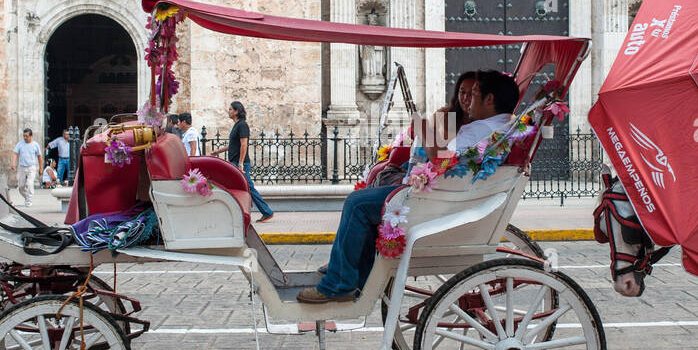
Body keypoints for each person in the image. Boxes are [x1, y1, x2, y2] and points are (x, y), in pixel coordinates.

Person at [298, 69, 519, 303]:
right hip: (449, 193)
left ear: (489, 99)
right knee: (367, 199)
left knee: (357, 204)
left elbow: (441, 161)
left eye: (473, 94)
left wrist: (425, 130)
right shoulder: (502, 124)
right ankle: (351, 274)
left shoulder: (479, 129)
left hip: (438, 200)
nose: (468, 100)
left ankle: (339, 285)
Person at [221, 101, 275, 223]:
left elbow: (244, 145)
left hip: (241, 163)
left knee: (248, 187)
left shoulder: (242, 125)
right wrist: (218, 151)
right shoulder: (236, 125)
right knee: (241, 187)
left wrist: (240, 164)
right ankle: (245, 213)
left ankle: (266, 212)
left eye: (230, 109)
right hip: (235, 162)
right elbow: (233, 145)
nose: (228, 111)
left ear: (236, 111)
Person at [12, 128, 43, 208]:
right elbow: (15, 153)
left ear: (31, 136)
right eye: (24, 136)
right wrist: (13, 164)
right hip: (22, 167)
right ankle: (26, 197)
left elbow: (39, 157)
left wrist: (41, 168)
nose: (25, 138)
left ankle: (29, 199)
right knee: (21, 186)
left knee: (29, 183)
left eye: (27, 136)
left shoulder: (35, 145)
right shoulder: (20, 144)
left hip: (32, 167)